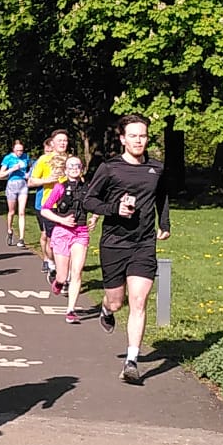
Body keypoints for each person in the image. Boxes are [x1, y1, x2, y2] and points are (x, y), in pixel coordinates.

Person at [82, 113, 170, 385]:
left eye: (142, 135)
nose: (138, 140)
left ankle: (131, 361)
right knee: (117, 301)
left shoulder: (156, 168)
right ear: (122, 139)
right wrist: (114, 209)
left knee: (139, 301)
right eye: (132, 135)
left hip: (143, 243)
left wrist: (164, 222)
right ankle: (106, 310)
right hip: (114, 242)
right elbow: (89, 200)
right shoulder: (110, 168)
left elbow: (162, 196)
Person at [40, 154, 97, 322]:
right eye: (70, 166)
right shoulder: (60, 187)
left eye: (77, 166)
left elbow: (97, 205)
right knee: (63, 276)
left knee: (77, 272)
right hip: (62, 232)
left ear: (81, 169)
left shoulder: (88, 188)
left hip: (81, 232)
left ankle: (71, 310)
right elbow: (45, 209)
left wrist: (94, 218)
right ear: (65, 170)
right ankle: (58, 281)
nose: (74, 169)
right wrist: (62, 219)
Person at [28, 130, 69, 275]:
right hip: (49, 205)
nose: (63, 143)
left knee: (66, 238)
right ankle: (51, 262)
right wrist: (47, 180)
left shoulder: (71, 160)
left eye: (65, 140)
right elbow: (31, 182)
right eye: (60, 141)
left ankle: (63, 271)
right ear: (53, 143)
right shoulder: (44, 160)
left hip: (68, 205)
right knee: (52, 239)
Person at [0, 138, 31, 245]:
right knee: (12, 212)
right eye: (17, 151)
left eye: (21, 150)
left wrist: (28, 174)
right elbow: (1, 175)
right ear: (13, 150)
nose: (20, 153)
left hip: (23, 185)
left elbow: (29, 169)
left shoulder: (26, 157)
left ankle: (21, 238)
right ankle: (10, 230)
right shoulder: (8, 158)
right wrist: (12, 169)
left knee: (21, 212)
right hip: (12, 185)